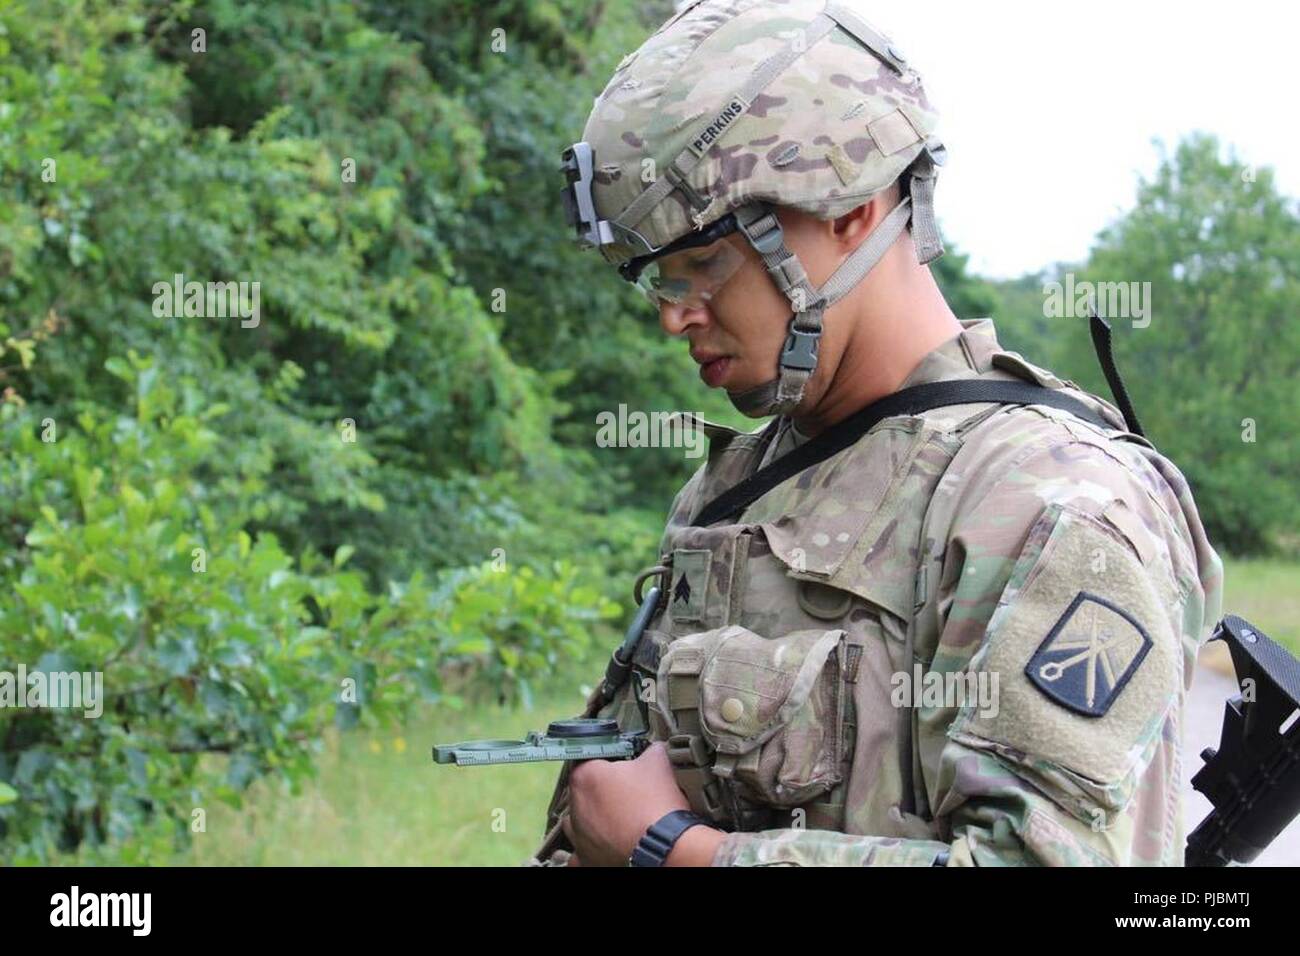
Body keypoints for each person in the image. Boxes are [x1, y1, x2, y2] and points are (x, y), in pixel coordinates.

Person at [538, 0, 1223, 866]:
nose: (674, 316)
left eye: (702, 262)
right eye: (654, 279)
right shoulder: (739, 482)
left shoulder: (1051, 499)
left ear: (851, 206)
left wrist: (674, 853)